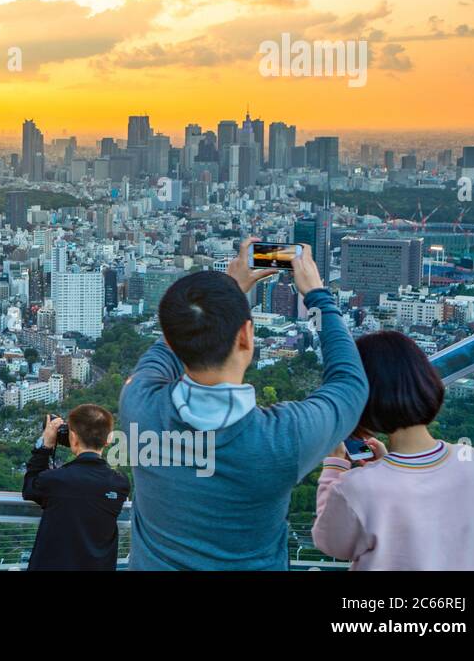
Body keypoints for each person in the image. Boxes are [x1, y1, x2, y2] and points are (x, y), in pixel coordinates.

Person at [119, 237, 368, 570]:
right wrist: (317, 296)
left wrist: (225, 291)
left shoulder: (140, 407)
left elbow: (168, 345)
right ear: (246, 336)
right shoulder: (283, 439)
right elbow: (350, 383)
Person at [312, 331, 474, 569]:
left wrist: (335, 467)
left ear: (365, 398)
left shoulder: (358, 487)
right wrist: (389, 465)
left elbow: (331, 542)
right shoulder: (468, 460)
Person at [22, 404, 130, 570]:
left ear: (73, 437)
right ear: (109, 439)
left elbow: (30, 487)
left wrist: (45, 447)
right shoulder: (119, 484)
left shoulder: (56, 480)